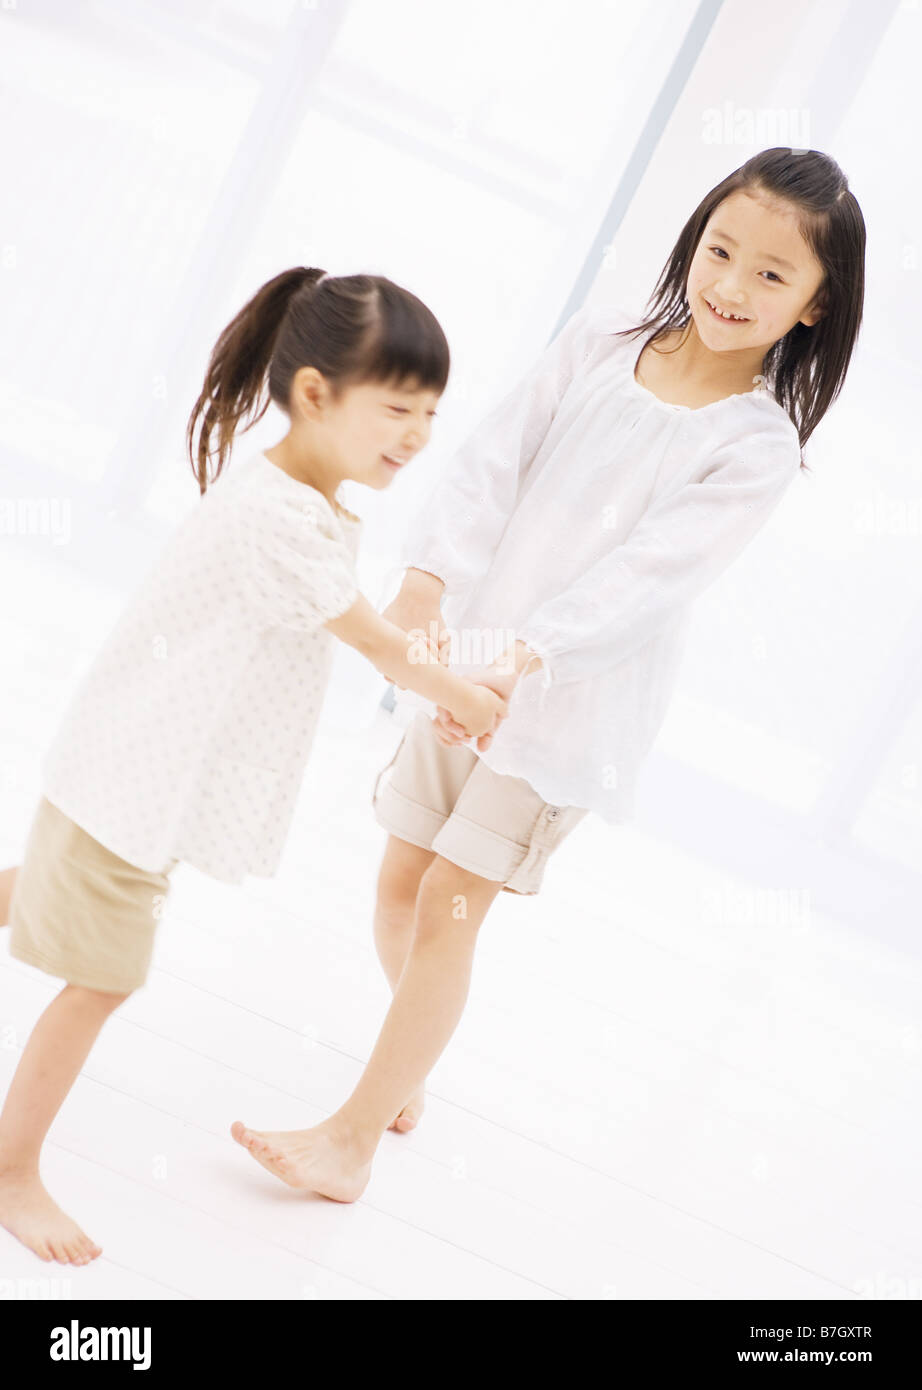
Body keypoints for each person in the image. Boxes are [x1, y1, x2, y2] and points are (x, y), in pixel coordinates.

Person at [228, 147, 865, 1204]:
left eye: (769, 275)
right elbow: (491, 461)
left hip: (564, 705)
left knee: (449, 904)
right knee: (397, 880)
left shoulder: (754, 445)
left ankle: (351, 1138)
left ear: (812, 304)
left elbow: (648, 579)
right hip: (461, 662)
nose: (729, 285)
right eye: (720, 251)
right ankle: (406, 1069)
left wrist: (524, 662)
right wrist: (428, 585)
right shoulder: (602, 341)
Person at [0, 268, 508, 1264]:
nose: (416, 435)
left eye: (430, 414)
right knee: (102, 978)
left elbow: (377, 641)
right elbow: (381, 646)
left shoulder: (291, 488)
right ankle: (12, 1168)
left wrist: (444, 690)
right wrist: (467, 699)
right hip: (135, 777)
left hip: (130, 759)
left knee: (45, 890)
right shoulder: (283, 516)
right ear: (315, 393)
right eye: (397, 408)